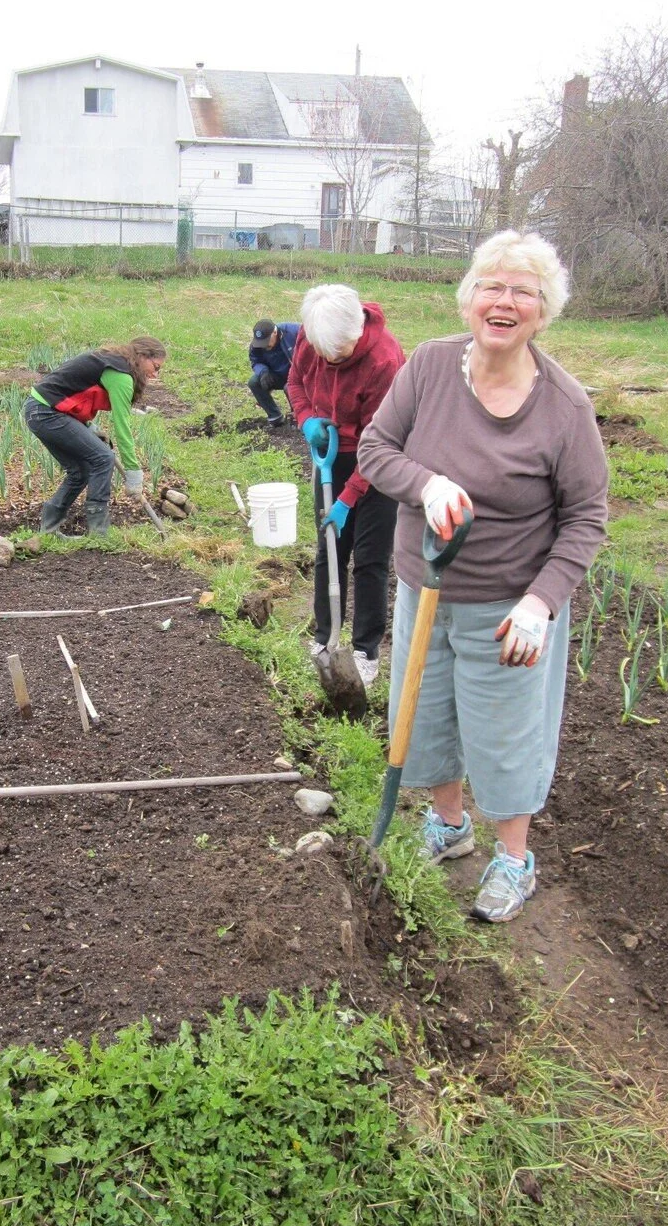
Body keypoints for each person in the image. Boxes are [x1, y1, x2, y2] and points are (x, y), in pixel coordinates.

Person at [357, 229, 609, 923]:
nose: (505, 301)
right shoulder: (430, 367)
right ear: (470, 298)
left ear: (541, 309)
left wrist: (542, 601)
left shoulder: (564, 406)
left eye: (522, 291)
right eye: (492, 286)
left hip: (507, 605)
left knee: (505, 734)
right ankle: (448, 824)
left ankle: (514, 857)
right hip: (425, 587)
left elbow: (586, 516)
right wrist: (426, 484)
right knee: (427, 715)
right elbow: (377, 448)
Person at [287, 284, 406, 688]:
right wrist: (306, 419)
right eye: (322, 351)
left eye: (336, 354)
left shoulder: (384, 360)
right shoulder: (313, 334)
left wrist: (348, 499)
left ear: (355, 335)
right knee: (330, 549)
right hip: (330, 451)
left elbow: (382, 440)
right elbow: (295, 382)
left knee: (371, 558)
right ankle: (324, 638)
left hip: (380, 458)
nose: (327, 359)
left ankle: (365, 650)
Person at [24, 337, 167, 536]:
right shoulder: (121, 374)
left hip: (41, 410)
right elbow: (122, 426)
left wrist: (88, 427)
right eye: (156, 366)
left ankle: (48, 531)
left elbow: (77, 392)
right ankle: (99, 533)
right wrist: (133, 471)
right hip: (46, 412)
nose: (155, 374)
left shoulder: (114, 362)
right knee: (102, 458)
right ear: (143, 356)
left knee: (80, 471)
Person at [248, 319, 300, 427]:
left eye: (266, 341)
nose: (264, 345)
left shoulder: (294, 332)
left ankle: (299, 416)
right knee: (254, 382)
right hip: (276, 375)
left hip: (299, 375)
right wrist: (263, 372)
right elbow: (256, 360)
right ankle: (275, 417)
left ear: (275, 332)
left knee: (289, 387)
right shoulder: (257, 344)